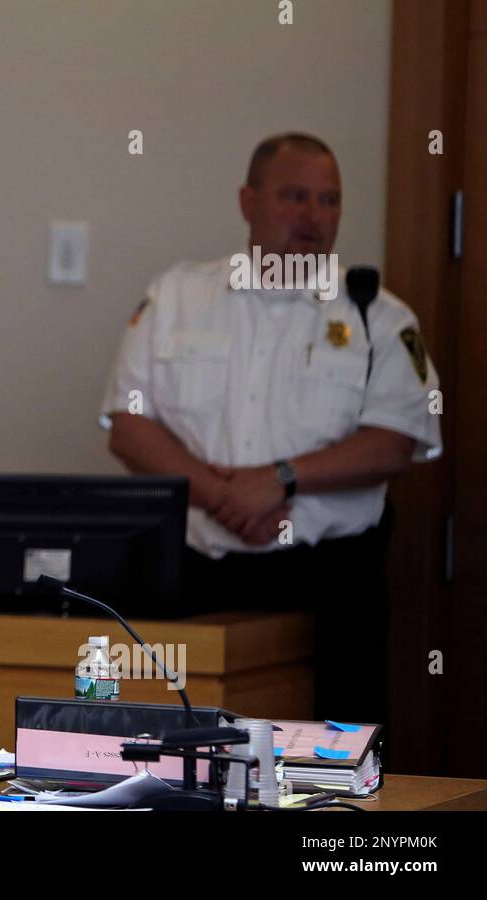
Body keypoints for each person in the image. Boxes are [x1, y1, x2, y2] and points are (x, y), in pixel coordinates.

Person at [100, 133, 441, 725]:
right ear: (247, 201)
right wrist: (226, 496)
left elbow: (396, 439)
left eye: (329, 200)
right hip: (198, 576)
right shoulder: (177, 296)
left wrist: (280, 479)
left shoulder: (378, 316)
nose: (313, 215)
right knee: (177, 757)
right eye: (294, 196)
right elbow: (129, 426)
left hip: (332, 583)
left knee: (338, 774)